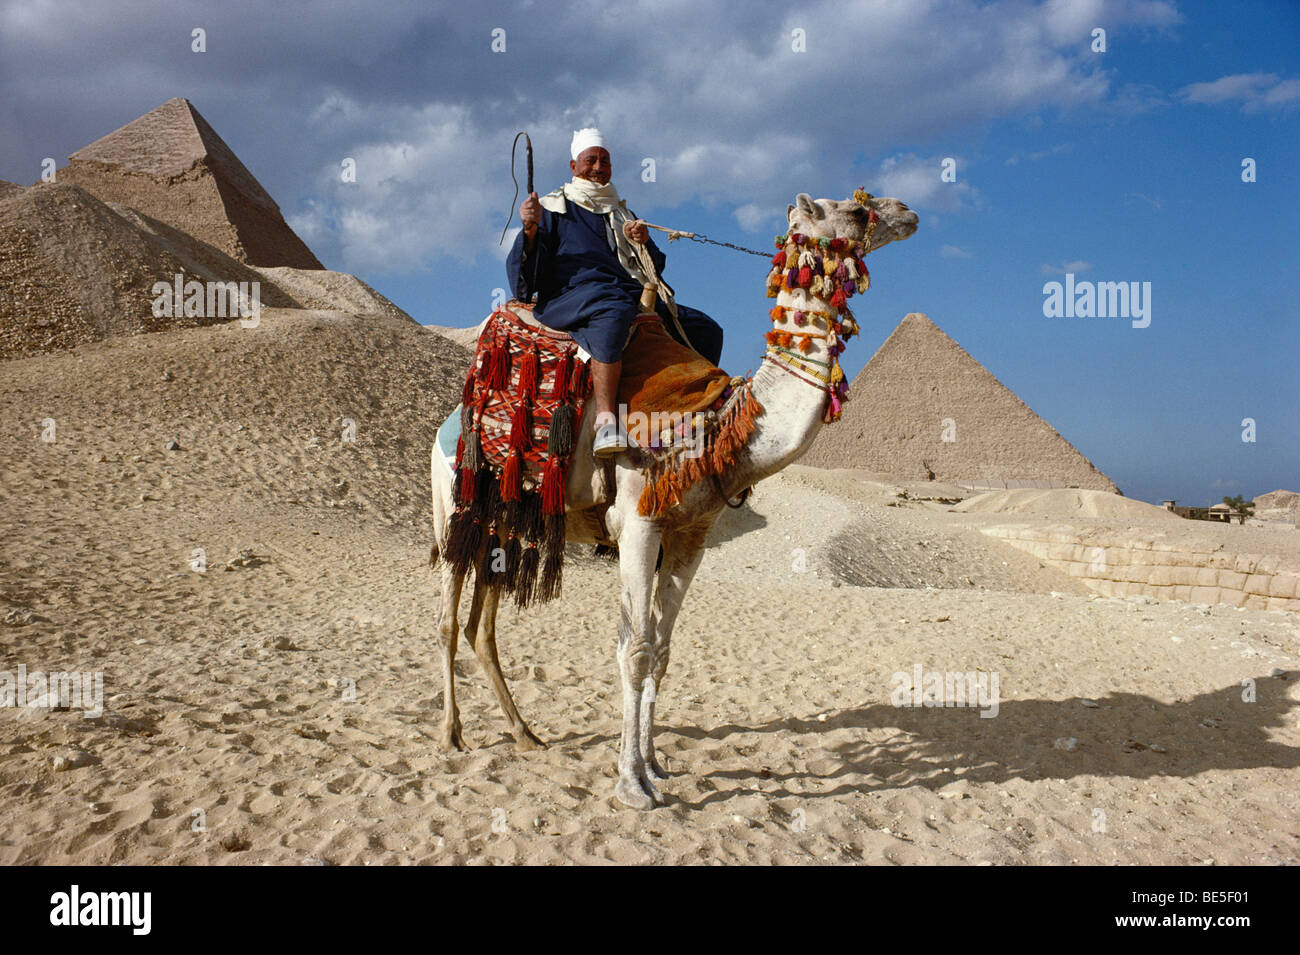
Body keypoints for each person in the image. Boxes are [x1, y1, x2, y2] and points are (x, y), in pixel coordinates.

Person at [507, 128, 724, 456]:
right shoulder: (551, 208)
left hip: (628, 293)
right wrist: (530, 229)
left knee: (705, 329)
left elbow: (654, 269)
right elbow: (526, 280)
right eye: (590, 160)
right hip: (574, 295)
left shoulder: (621, 212)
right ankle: (606, 420)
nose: (597, 167)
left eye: (604, 160)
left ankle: (693, 411)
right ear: (573, 165)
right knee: (614, 312)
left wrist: (644, 241)